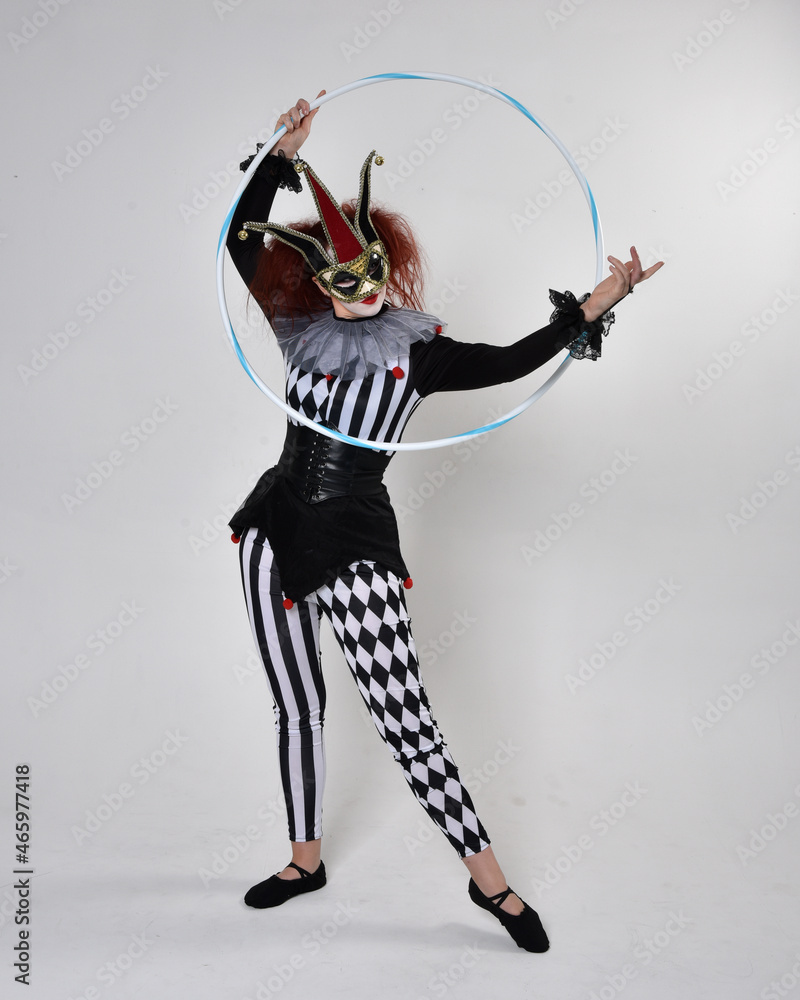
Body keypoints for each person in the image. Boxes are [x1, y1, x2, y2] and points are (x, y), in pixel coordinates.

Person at [225, 91, 663, 953]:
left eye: (371, 273)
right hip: (274, 532)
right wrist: (285, 152)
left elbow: (509, 361)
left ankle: (490, 887)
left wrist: (601, 299)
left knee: (407, 720)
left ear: (389, 269)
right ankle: (304, 861)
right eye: (340, 278)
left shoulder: (416, 353)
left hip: (354, 547)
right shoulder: (296, 328)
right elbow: (240, 235)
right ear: (316, 277)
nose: (358, 290)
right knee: (296, 701)